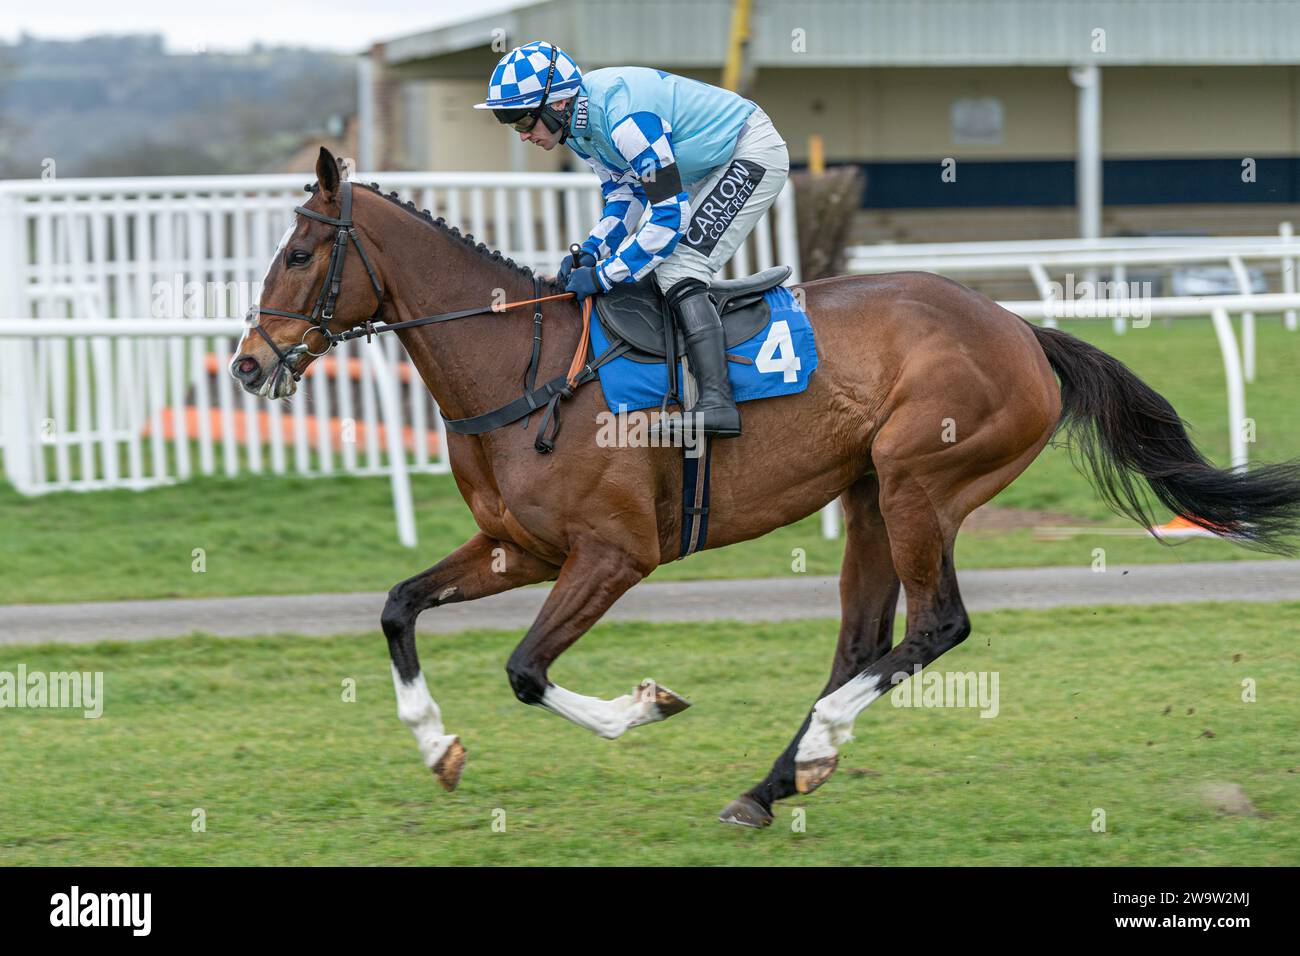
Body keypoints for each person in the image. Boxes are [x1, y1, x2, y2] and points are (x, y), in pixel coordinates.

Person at [474, 40, 790, 438]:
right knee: (652, 265)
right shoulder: (578, 129)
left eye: (522, 121)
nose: (522, 136)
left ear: (556, 104)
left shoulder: (624, 119)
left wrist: (605, 276)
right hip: (707, 165)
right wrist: (592, 250)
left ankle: (718, 403)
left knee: (679, 266)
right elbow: (627, 195)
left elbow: (669, 216)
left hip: (749, 150)